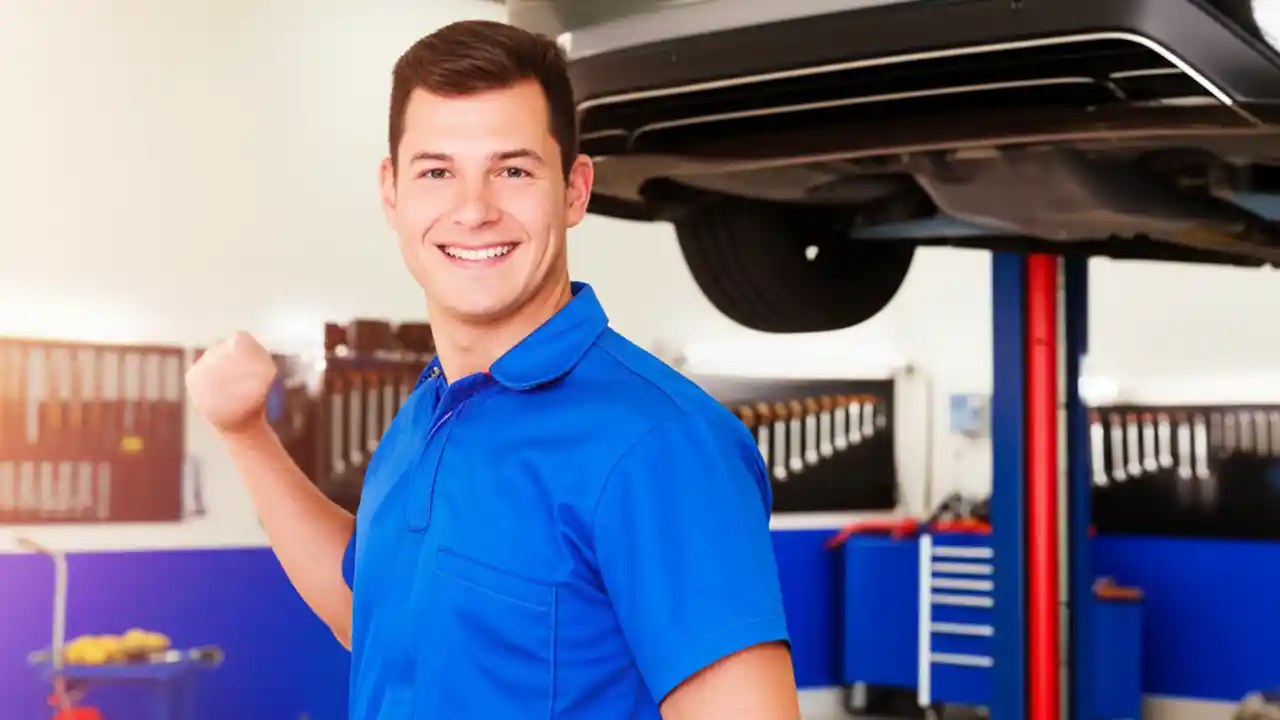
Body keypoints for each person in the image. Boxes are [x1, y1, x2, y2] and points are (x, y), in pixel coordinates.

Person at [185, 18, 799, 720]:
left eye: (512, 170)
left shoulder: (660, 446)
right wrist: (245, 435)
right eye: (437, 171)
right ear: (392, 191)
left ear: (574, 189)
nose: (473, 211)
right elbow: (373, 615)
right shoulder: (428, 415)